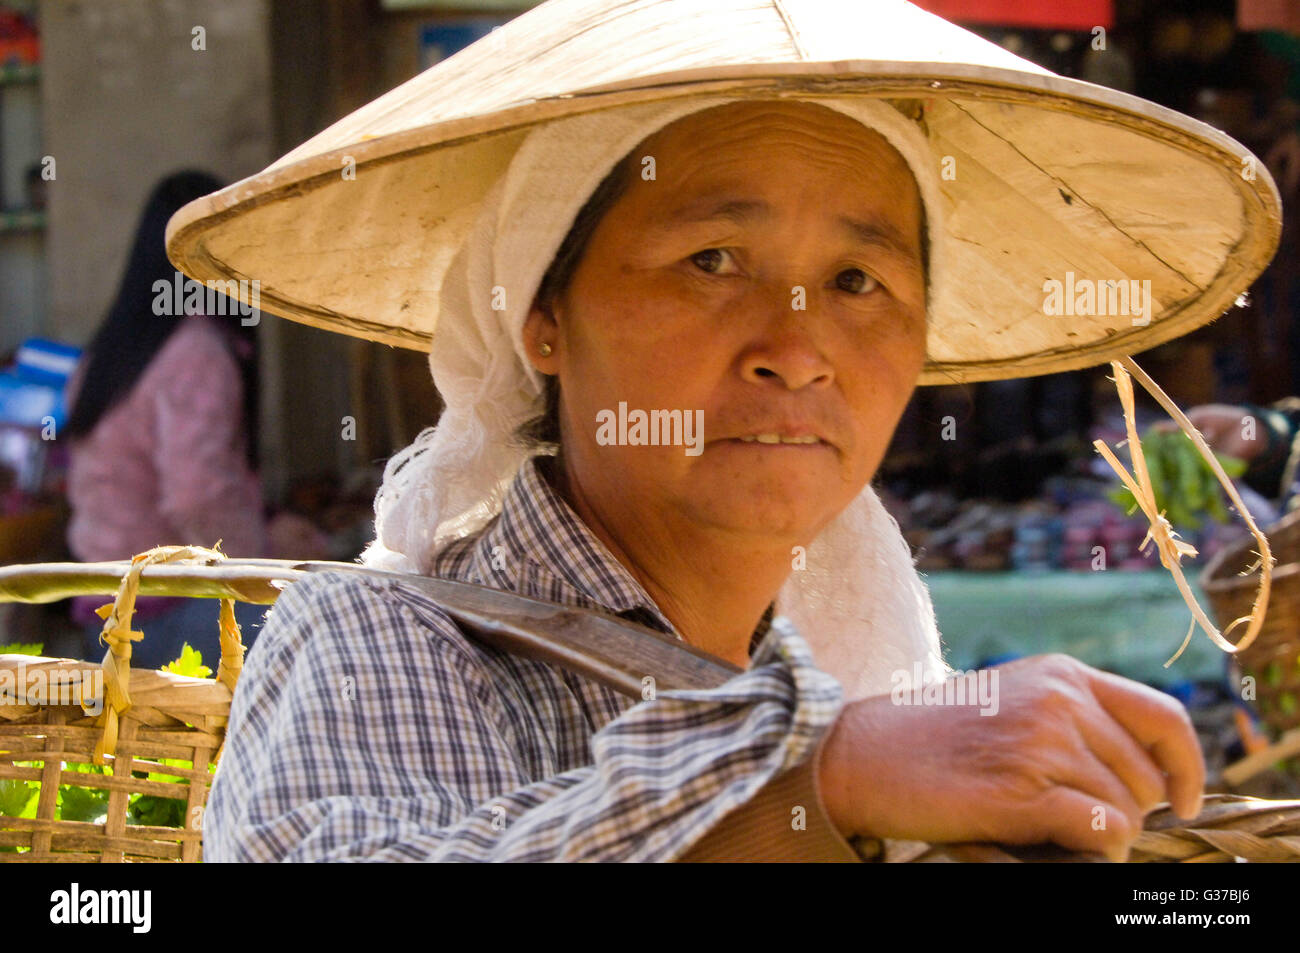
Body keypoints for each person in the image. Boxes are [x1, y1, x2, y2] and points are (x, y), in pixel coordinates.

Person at [188, 0, 1284, 862]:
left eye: (858, 280)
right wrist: (814, 777)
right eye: (711, 260)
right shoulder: (380, 637)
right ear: (543, 319)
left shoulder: (854, 679)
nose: (797, 347)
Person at [63, 171, 274, 670]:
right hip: (172, 616)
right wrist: (261, 568)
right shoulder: (197, 352)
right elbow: (195, 494)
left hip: (105, 620)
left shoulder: (108, 355)